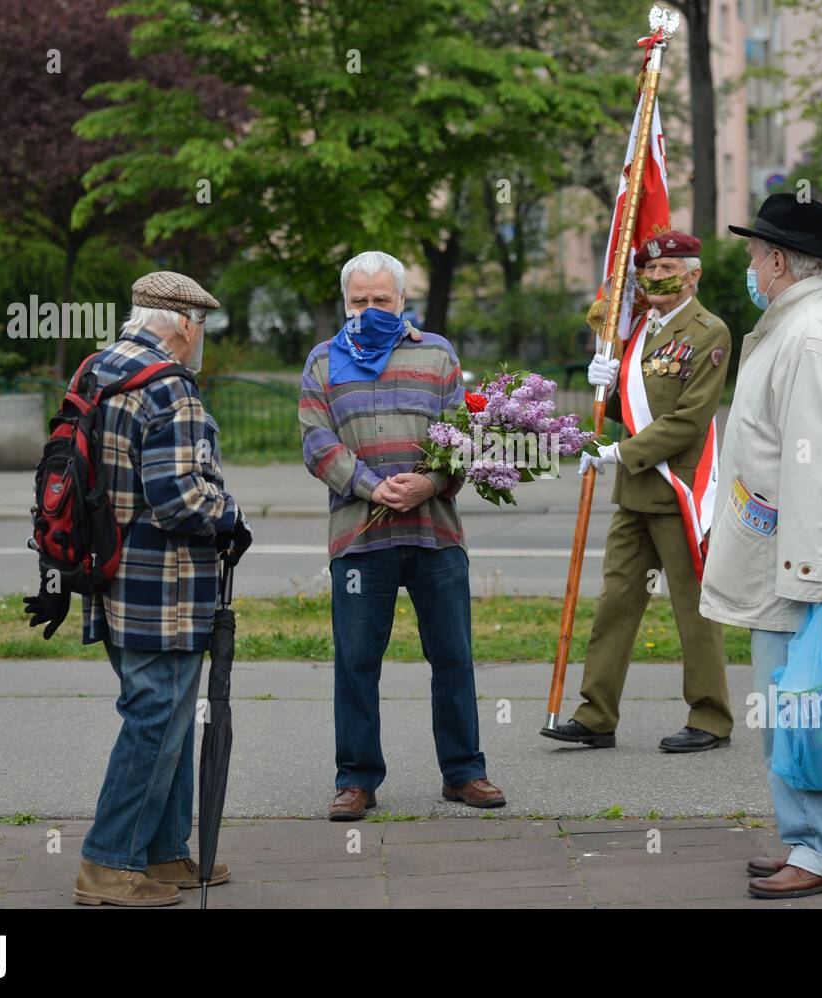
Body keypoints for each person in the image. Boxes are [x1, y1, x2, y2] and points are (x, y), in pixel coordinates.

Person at [37, 271, 253, 907]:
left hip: (105, 575)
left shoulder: (94, 371)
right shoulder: (169, 387)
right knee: (156, 717)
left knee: (169, 717)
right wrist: (231, 514)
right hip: (165, 587)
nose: (201, 338)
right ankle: (108, 864)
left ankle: (163, 855)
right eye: (202, 326)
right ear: (184, 323)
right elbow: (181, 500)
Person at [699, 193, 822, 899]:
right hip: (786, 565)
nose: (749, 265)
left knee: (804, 720)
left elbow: (815, 471)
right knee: (799, 715)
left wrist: (805, 578)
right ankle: (816, 840)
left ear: (776, 260)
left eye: (752, 254)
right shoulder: (802, 324)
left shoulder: (807, 336)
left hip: (797, 577)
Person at [299, 250, 506, 820]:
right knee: (357, 661)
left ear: (401, 299)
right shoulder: (322, 361)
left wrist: (431, 481)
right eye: (358, 301)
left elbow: (463, 438)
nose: (369, 311)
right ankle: (357, 780)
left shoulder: (437, 355)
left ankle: (465, 772)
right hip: (359, 539)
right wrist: (370, 486)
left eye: (380, 300)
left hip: (435, 533)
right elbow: (316, 442)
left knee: (453, 656)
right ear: (345, 303)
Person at [540, 231, 734, 753]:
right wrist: (606, 381)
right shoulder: (639, 329)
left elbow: (689, 418)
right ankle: (596, 715)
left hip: (679, 489)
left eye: (667, 269)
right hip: (634, 492)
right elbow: (635, 409)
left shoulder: (709, 331)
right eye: (647, 271)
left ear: (694, 275)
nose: (654, 278)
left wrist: (619, 452)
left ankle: (711, 717)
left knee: (693, 607)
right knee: (617, 603)